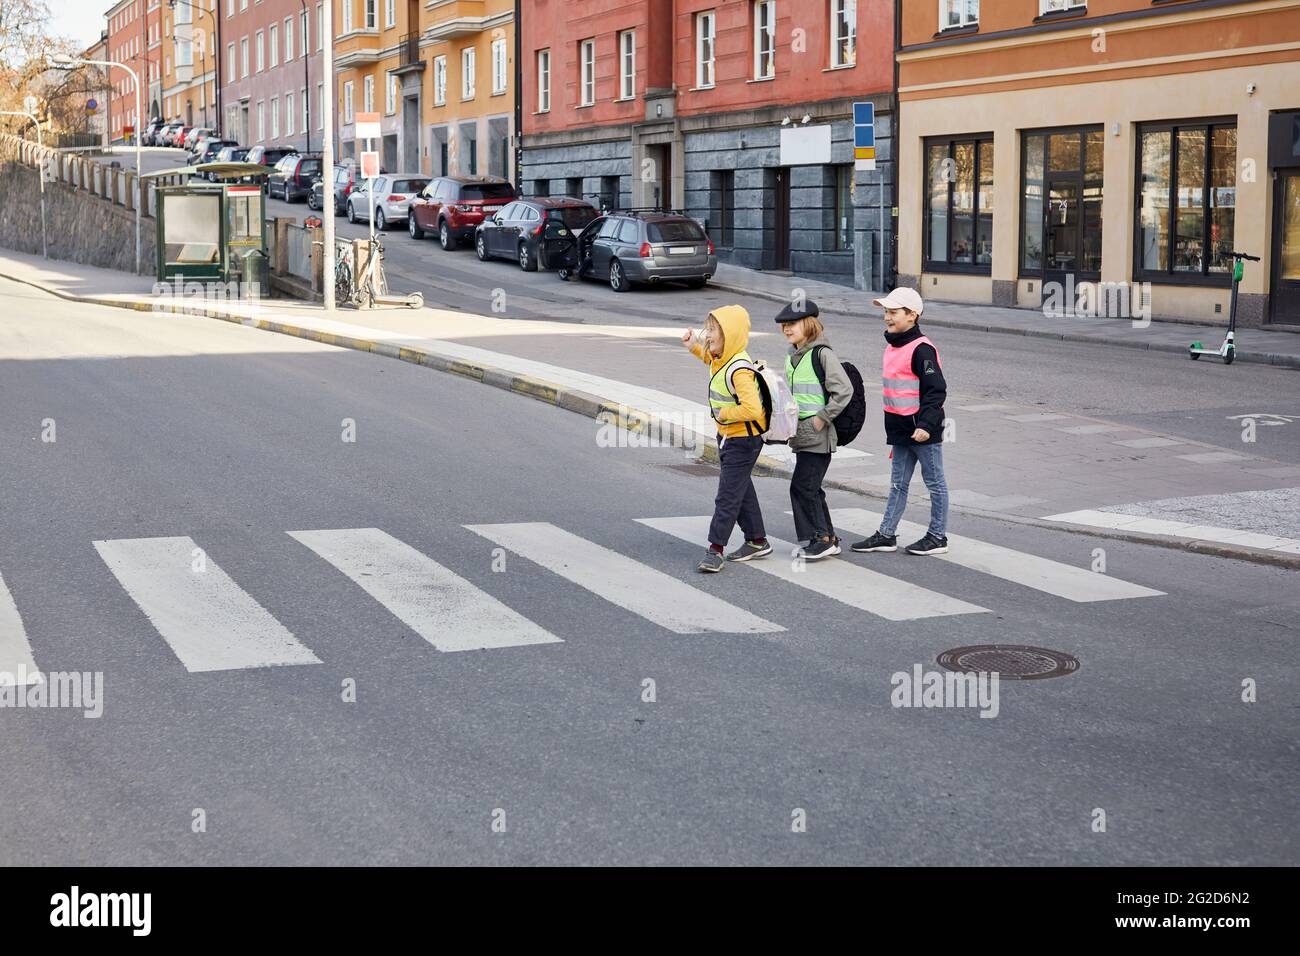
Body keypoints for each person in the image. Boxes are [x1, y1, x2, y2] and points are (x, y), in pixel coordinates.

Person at [850, 287, 951, 556]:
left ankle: (937, 536)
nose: (886, 317)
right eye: (885, 311)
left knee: (935, 483)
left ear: (912, 315)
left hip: (922, 431)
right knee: (897, 484)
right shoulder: (892, 345)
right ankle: (886, 535)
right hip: (899, 429)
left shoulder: (922, 350)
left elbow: (936, 391)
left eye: (893, 312)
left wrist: (926, 426)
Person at [681, 306, 771, 572]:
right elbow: (711, 362)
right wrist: (693, 347)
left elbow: (753, 409)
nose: (707, 335)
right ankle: (757, 540)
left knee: (727, 496)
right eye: (707, 329)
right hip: (730, 436)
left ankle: (715, 550)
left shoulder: (739, 369)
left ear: (729, 335)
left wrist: (723, 414)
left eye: (713, 330)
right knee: (739, 488)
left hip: (743, 440)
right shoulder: (722, 358)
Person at [776, 300, 852, 560]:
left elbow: (844, 390)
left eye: (792, 324)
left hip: (818, 433)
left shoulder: (822, 354)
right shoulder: (792, 356)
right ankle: (829, 537)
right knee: (812, 487)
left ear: (809, 325)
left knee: (803, 487)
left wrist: (822, 418)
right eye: (784, 325)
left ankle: (821, 539)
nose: (787, 329)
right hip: (801, 433)